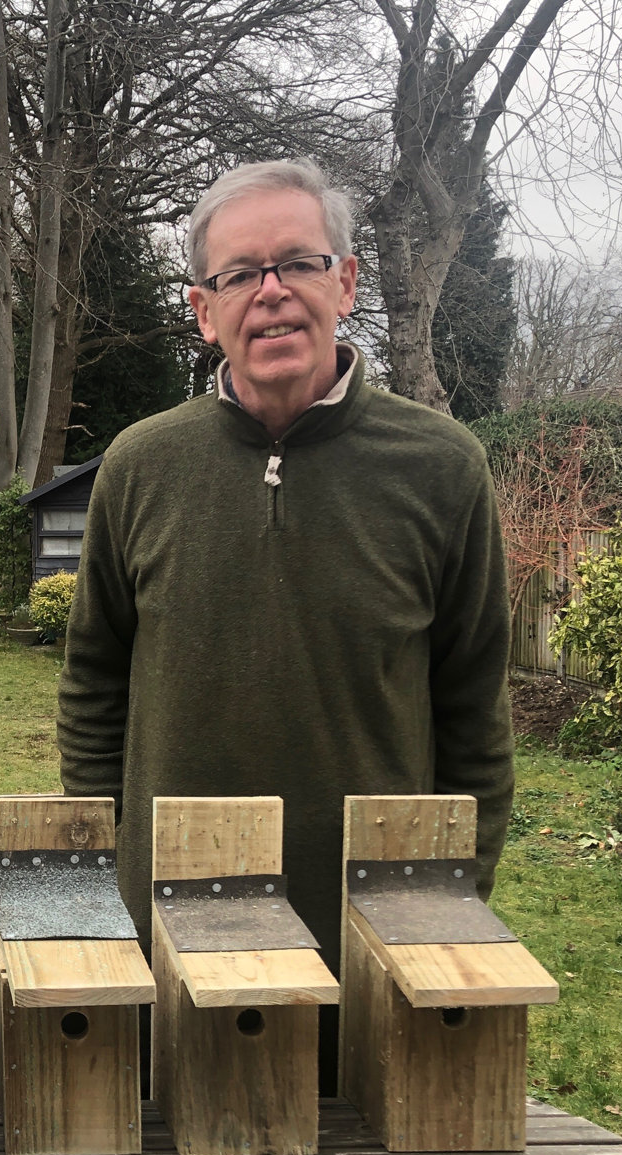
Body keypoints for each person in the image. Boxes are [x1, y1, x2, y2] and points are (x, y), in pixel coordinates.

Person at [57, 159, 513, 1091]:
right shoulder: (138, 469)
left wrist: (447, 912)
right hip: (170, 952)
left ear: (345, 283)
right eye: (239, 274)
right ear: (203, 309)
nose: (271, 294)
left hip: (374, 950)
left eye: (298, 264)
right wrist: (103, 886)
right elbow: (94, 690)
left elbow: (472, 714)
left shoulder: (443, 468)